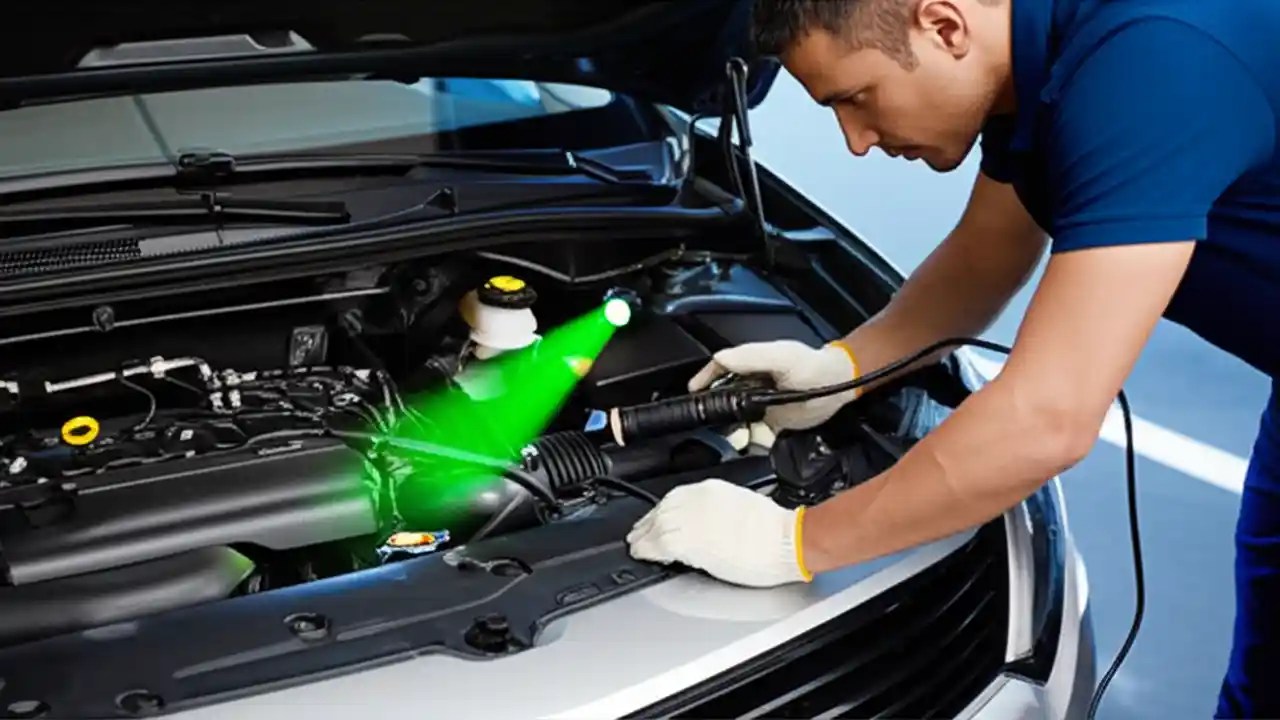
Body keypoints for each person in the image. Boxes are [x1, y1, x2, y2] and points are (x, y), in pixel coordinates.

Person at [623, 0, 1280, 716]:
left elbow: (1046, 421)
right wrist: (846, 369)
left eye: (855, 99)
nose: (855, 140)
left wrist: (797, 542)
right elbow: (988, 251)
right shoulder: (1041, 52)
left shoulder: (1151, 61)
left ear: (942, 26)